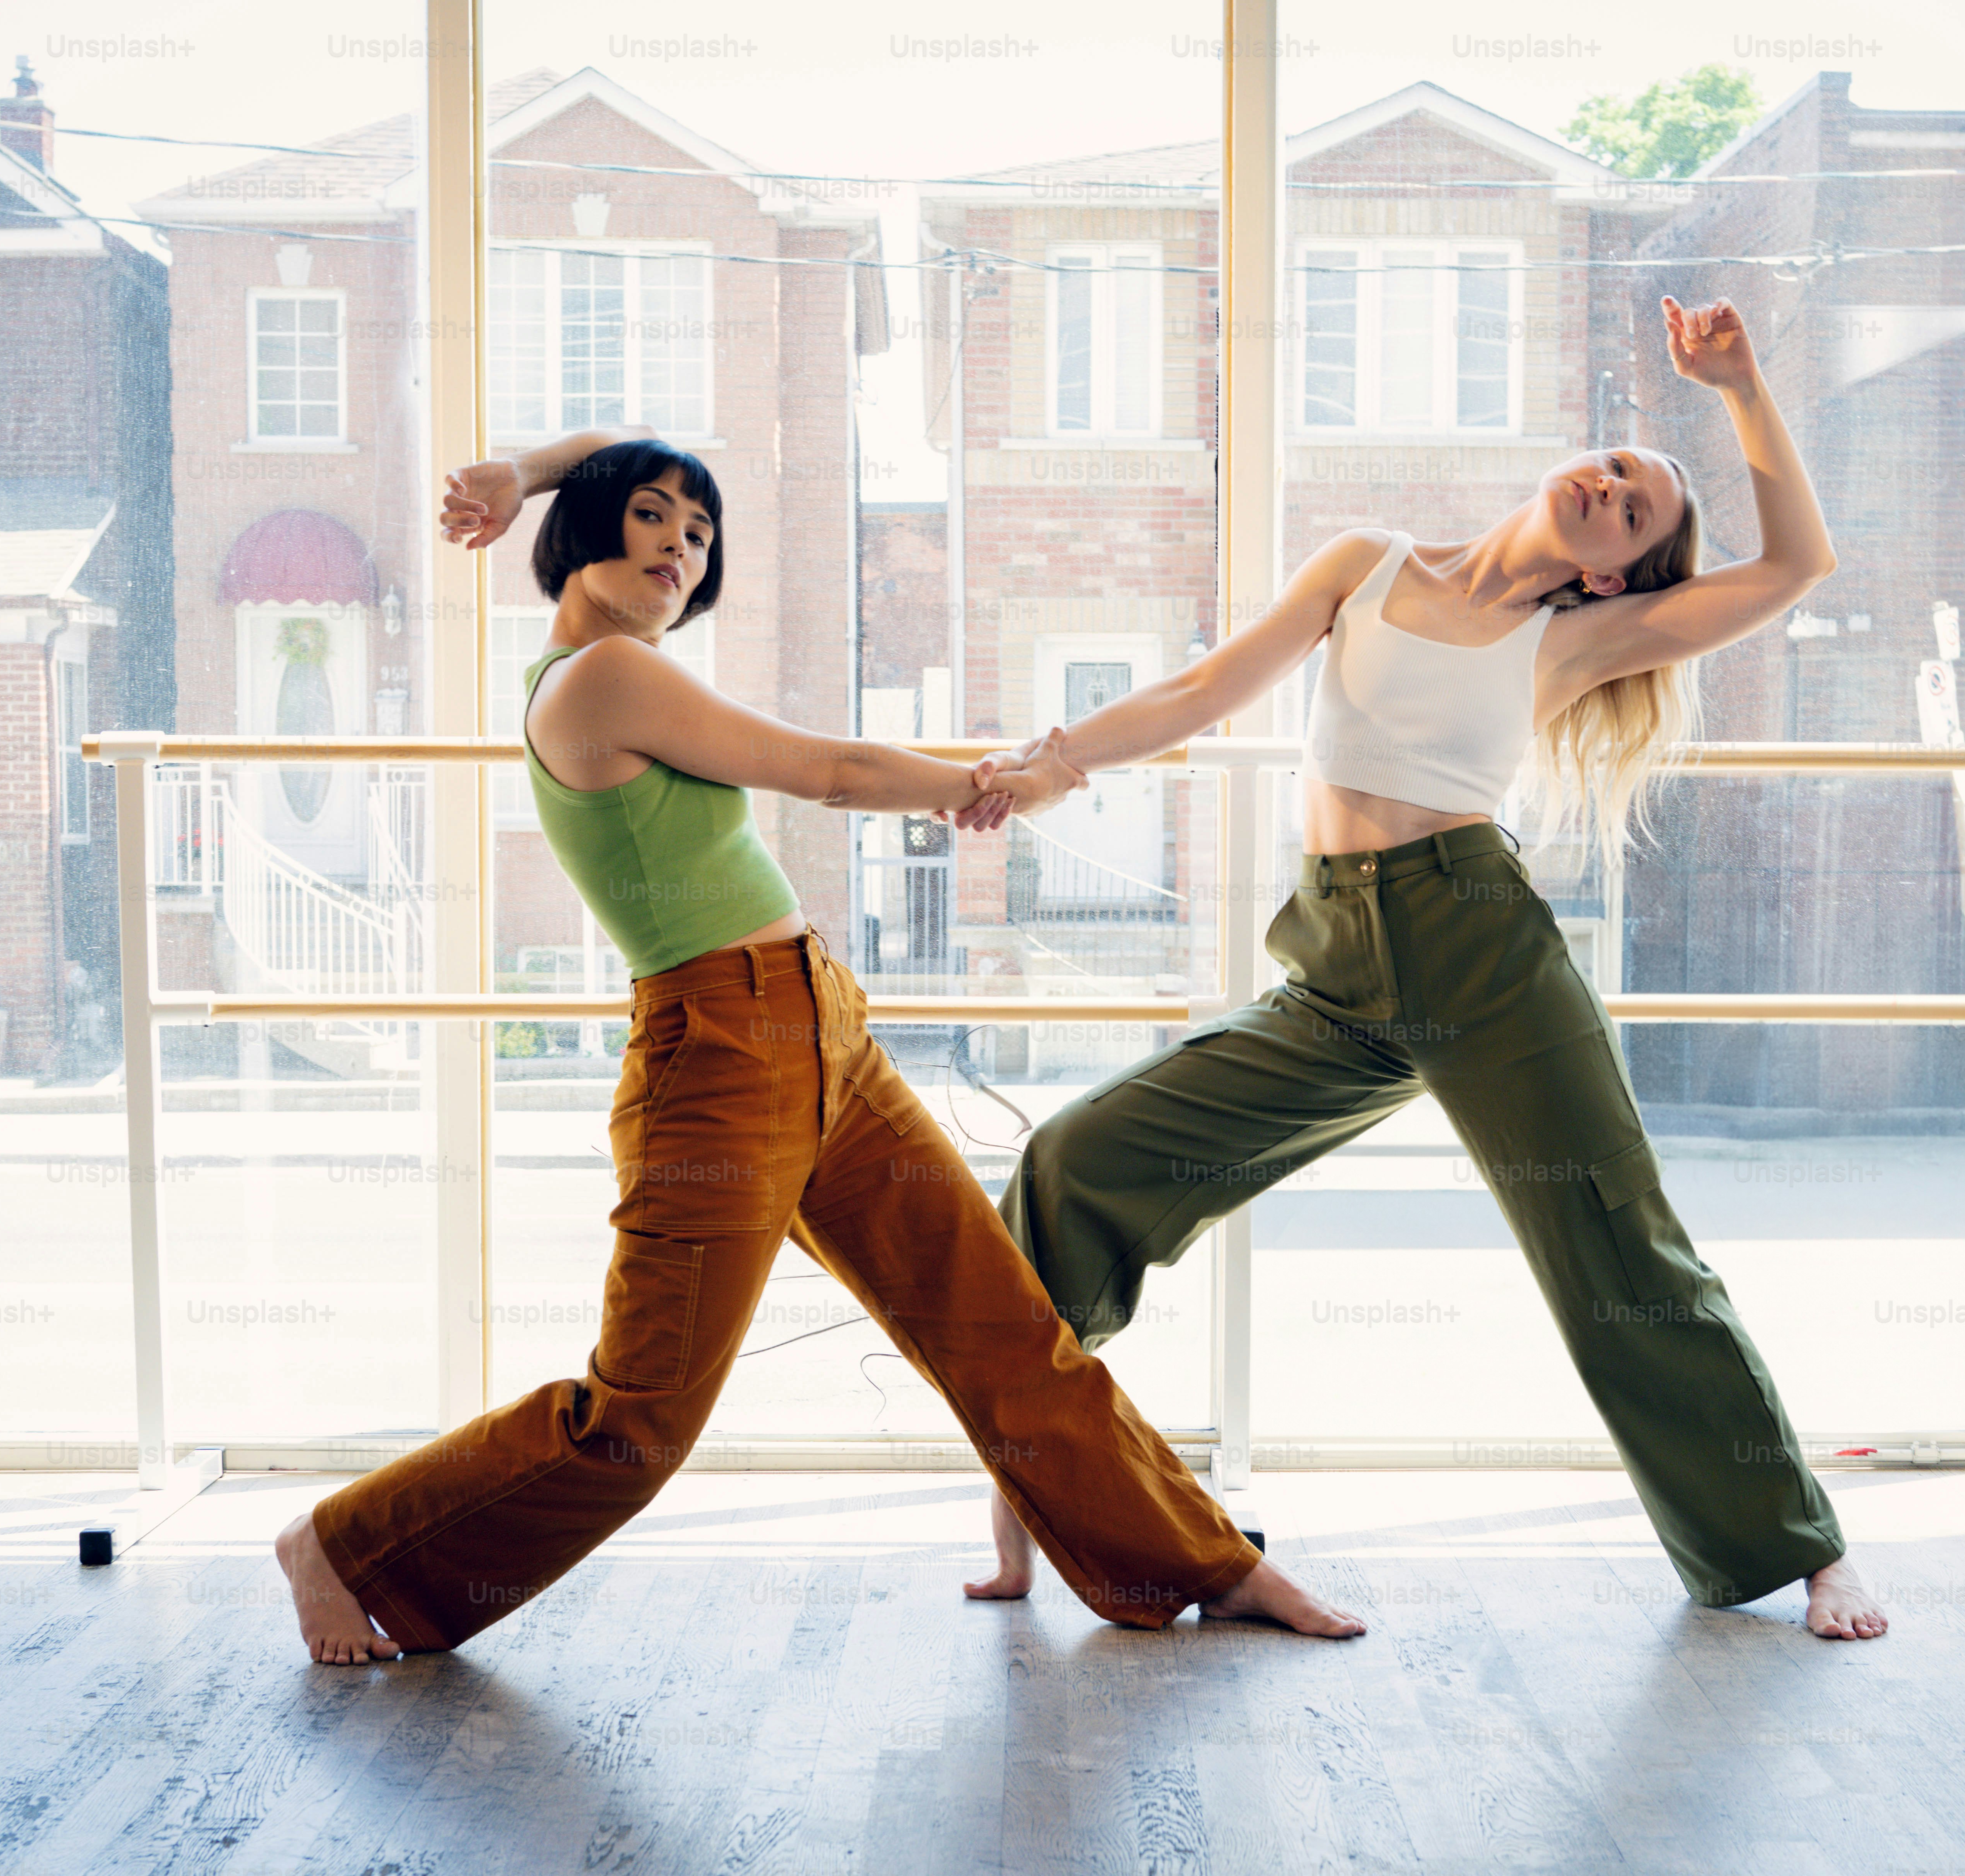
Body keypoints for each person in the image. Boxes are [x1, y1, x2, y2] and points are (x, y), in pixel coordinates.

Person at [273, 429, 1363, 1662]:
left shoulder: (619, 669)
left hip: (816, 1027)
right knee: (639, 1419)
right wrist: (981, 785)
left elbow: (612, 456)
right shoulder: (595, 681)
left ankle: (1212, 1565)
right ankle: (342, 1543)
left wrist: (519, 472)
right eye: (651, 517)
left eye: (700, 533)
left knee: (1001, 1323)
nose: (681, 548)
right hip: (721, 1055)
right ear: (585, 533)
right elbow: (831, 771)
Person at [961, 296, 1890, 1640]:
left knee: (1617, 1244)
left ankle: (1805, 1548)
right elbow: (1204, 690)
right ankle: (1031, 1488)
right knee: (1075, 1158)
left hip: (1481, 953)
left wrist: (1741, 387)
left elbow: (1797, 563)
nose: (1614, 488)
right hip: (1337, 963)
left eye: (1636, 513)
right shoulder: (1367, 563)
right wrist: (1056, 763)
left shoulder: (1577, 642)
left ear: (1619, 578)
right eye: (1620, 466)